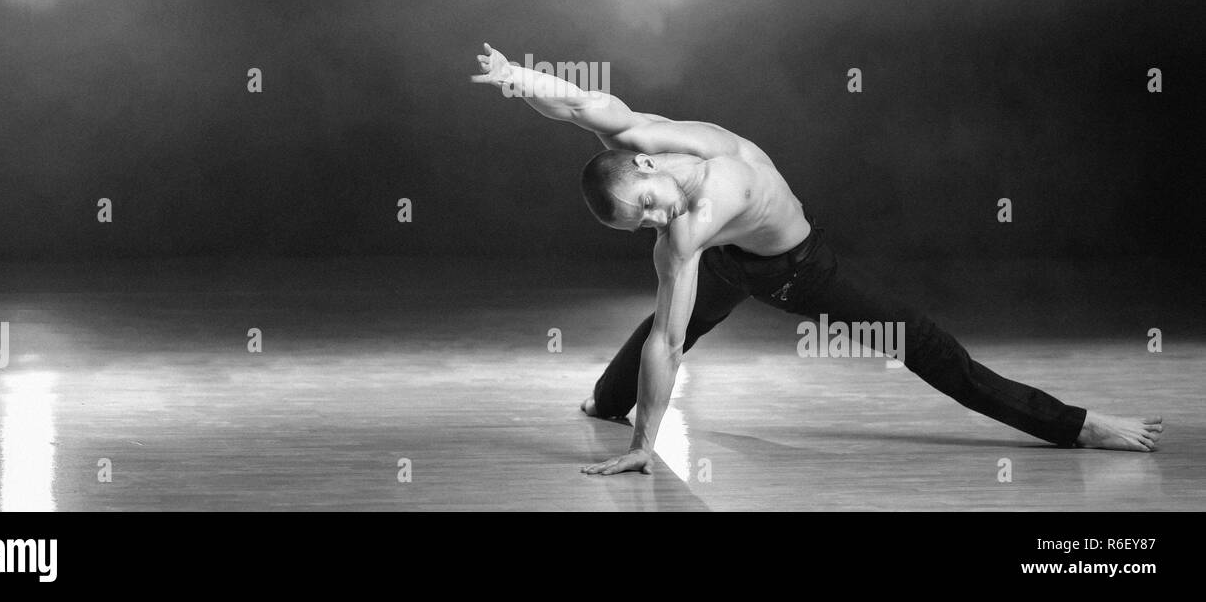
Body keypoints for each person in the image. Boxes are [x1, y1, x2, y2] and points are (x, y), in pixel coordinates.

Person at [472, 43, 1164, 475]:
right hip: (725, 261)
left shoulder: (669, 181)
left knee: (919, 342)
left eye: (649, 205)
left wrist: (512, 75)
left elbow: (669, 335)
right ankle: (605, 403)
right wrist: (515, 78)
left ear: (647, 163)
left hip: (798, 268)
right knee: (660, 326)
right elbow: (667, 336)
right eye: (642, 224)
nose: (656, 220)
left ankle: (1075, 425)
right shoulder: (662, 185)